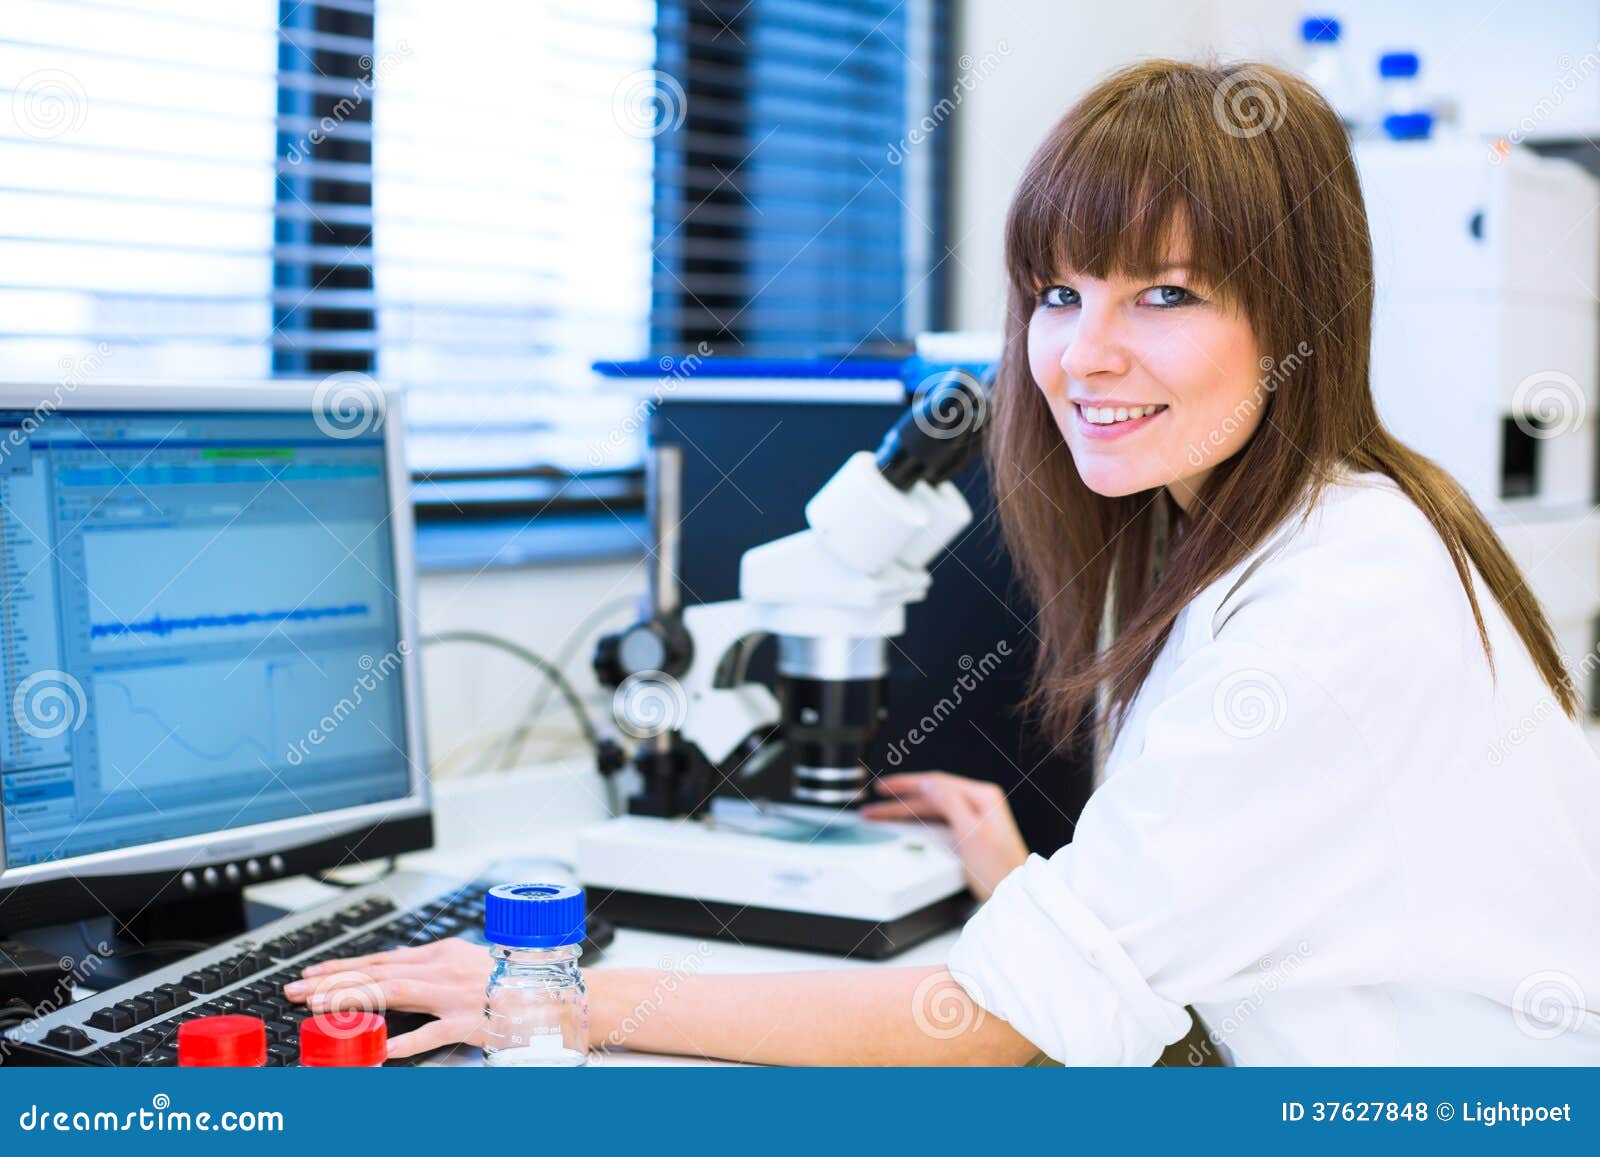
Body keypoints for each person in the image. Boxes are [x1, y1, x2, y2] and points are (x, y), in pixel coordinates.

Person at [284, 58, 1600, 1065]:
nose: (1083, 356)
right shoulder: (1259, 529)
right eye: (1059, 292)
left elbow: (984, 1026)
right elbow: (1231, 899)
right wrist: (1041, 893)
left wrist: (551, 992)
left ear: (1302, 312)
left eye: (1168, 294)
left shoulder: (1339, 589)